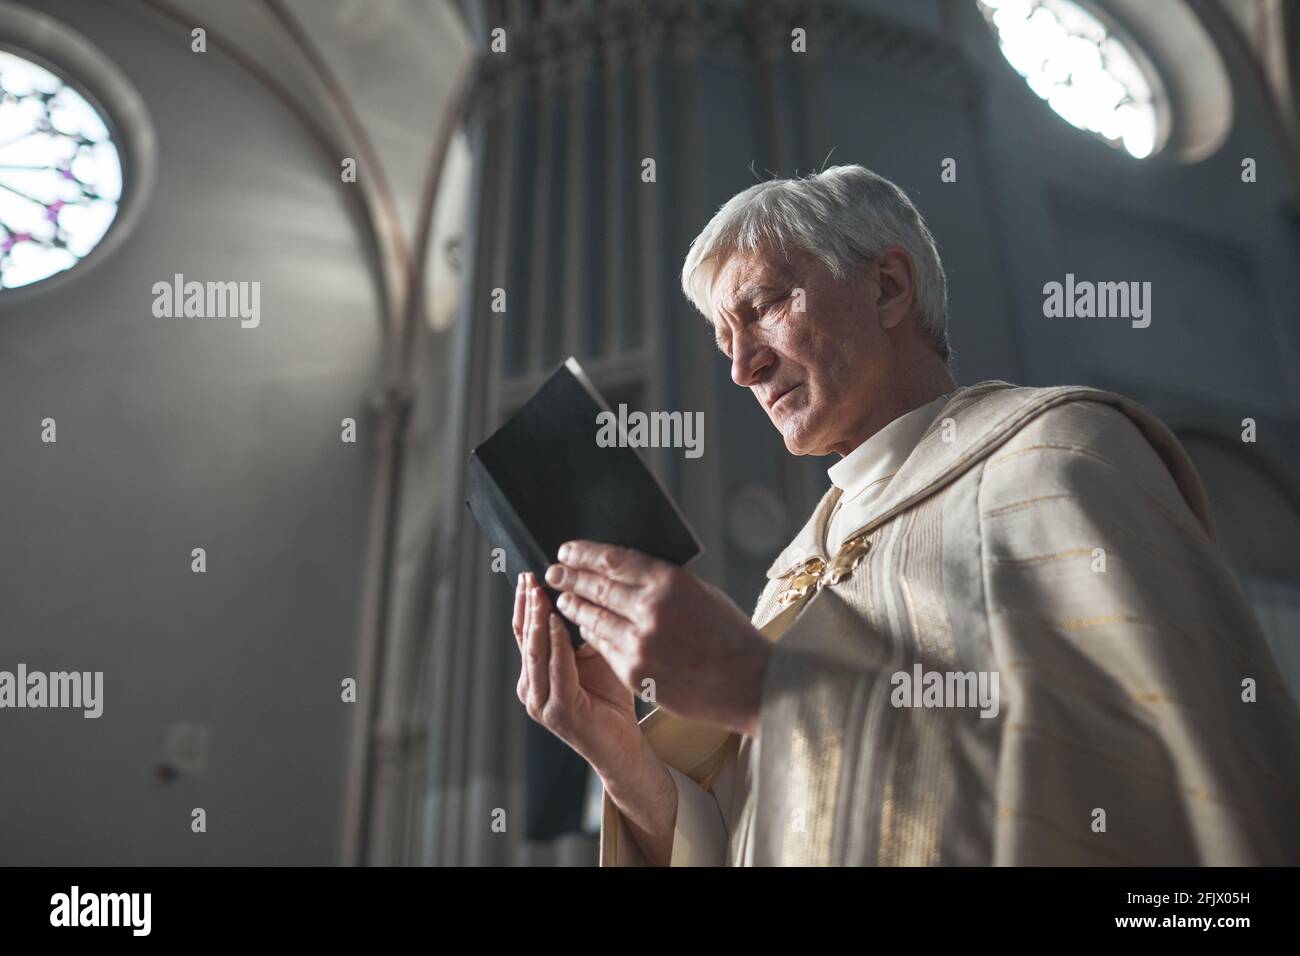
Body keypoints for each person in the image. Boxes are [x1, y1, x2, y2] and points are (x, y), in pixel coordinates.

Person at [511, 165, 1300, 865]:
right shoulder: (795, 568)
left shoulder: (1062, 457)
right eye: (726, 342)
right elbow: (773, 833)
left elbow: (1152, 786)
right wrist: (624, 757)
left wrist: (764, 688)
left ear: (889, 286)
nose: (744, 368)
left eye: (763, 308)